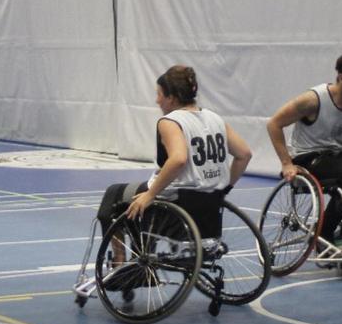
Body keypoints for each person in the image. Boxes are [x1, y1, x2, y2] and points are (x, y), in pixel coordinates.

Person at [99, 65, 253, 239]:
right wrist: (224, 189)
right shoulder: (214, 118)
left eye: (159, 94)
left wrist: (150, 195)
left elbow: (178, 159)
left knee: (113, 196)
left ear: (171, 98)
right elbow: (244, 154)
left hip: (179, 199)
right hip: (209, 201)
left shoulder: (171, 121)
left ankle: (119, 261)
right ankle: (144, 251)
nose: (157, 100)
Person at [266, 51, 342, 245]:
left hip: (338, 157)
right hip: (309, 158)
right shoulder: (313, 100)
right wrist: (286, 163)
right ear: (341, 77)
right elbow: (274, 124)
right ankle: (325, 231)